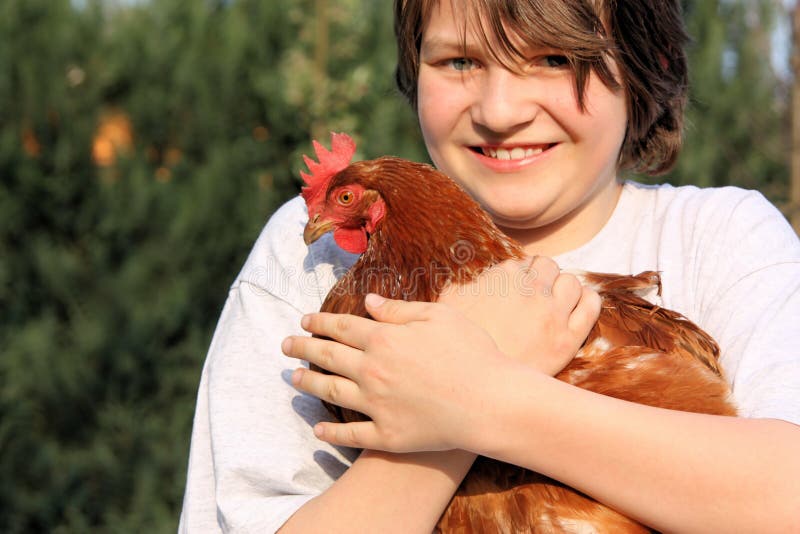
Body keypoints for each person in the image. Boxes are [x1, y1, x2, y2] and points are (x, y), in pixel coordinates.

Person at [178, 0, 800, 532]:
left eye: (555, 58)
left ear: (645, 67)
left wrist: (489, 396)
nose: (500, 111)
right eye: (459, 61)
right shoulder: (308, 262)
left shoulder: (719, 240)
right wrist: (451, 421)